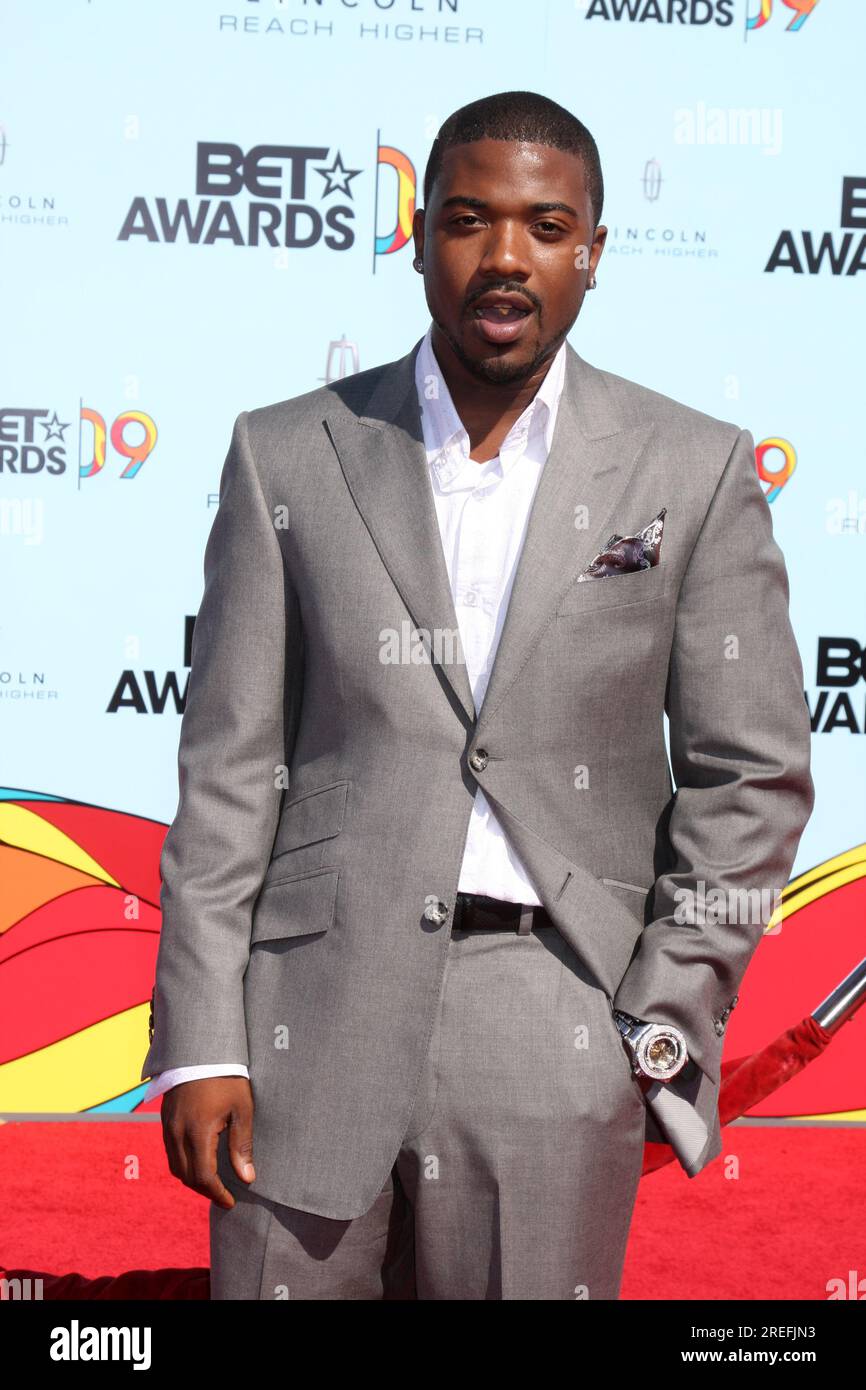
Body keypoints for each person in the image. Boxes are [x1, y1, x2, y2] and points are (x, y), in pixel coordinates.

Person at [140, 90, 814, 1300]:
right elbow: (230, 768)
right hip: (304, 1023)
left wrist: (653, 1024)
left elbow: (750, 773)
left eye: (546, 226)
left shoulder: (691, 468)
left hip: (557, 1031)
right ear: (417, 235)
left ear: (593, 252)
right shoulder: (287, 452)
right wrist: (202, 1036)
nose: (505, 258)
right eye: (469, 219)